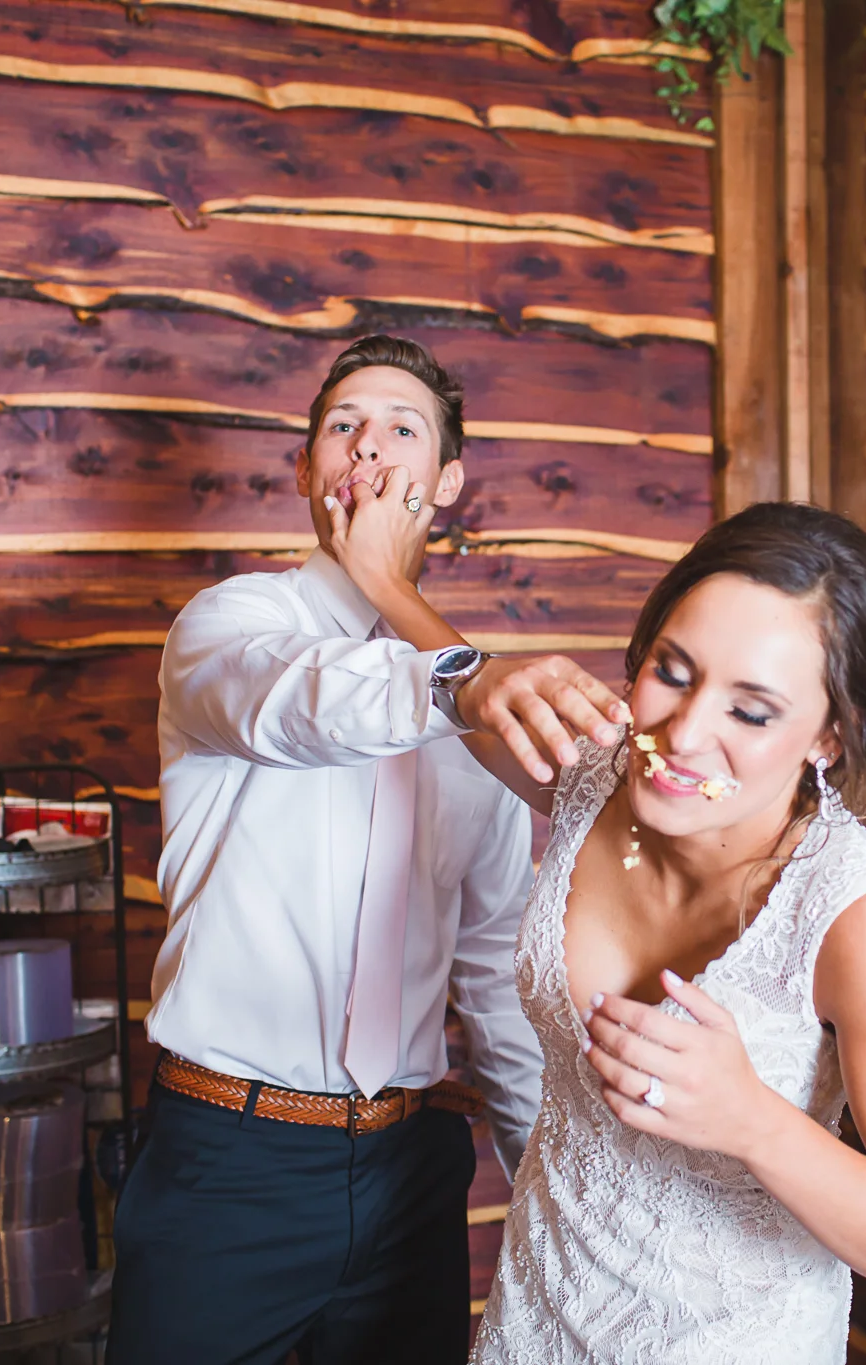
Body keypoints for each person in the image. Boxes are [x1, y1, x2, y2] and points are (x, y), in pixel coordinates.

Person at [109, 336, 630, 1365]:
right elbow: (298, 704)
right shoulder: (232, 625)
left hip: (411, 1170)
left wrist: (539, 1179)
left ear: (442, 483)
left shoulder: (484, 716)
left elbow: (490, 966)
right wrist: (454, 687)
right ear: (310, 471)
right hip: (228, 1160)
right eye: (342, 425)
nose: (368, 447)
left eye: (402, 429)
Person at [453, 503, 866, 1363]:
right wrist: (391, 594)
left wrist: (752, 1120)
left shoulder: (859, 918)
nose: (685, 733)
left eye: (753, 711)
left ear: (829, 737)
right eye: (673, 669)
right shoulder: (598, 776)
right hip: (533, 1329)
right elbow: (464, 690)